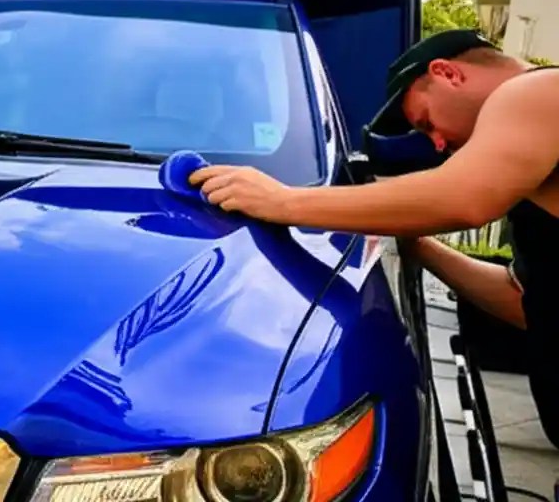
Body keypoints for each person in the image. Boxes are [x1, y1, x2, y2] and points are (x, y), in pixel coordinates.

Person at [188, 28, 558, 441]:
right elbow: (522, 300)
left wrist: (283, 201)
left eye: (425, 122)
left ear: (447, 73)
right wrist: (419, 247)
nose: (436, 143)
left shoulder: (539, 91)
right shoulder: (534, 165)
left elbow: (463, 198)